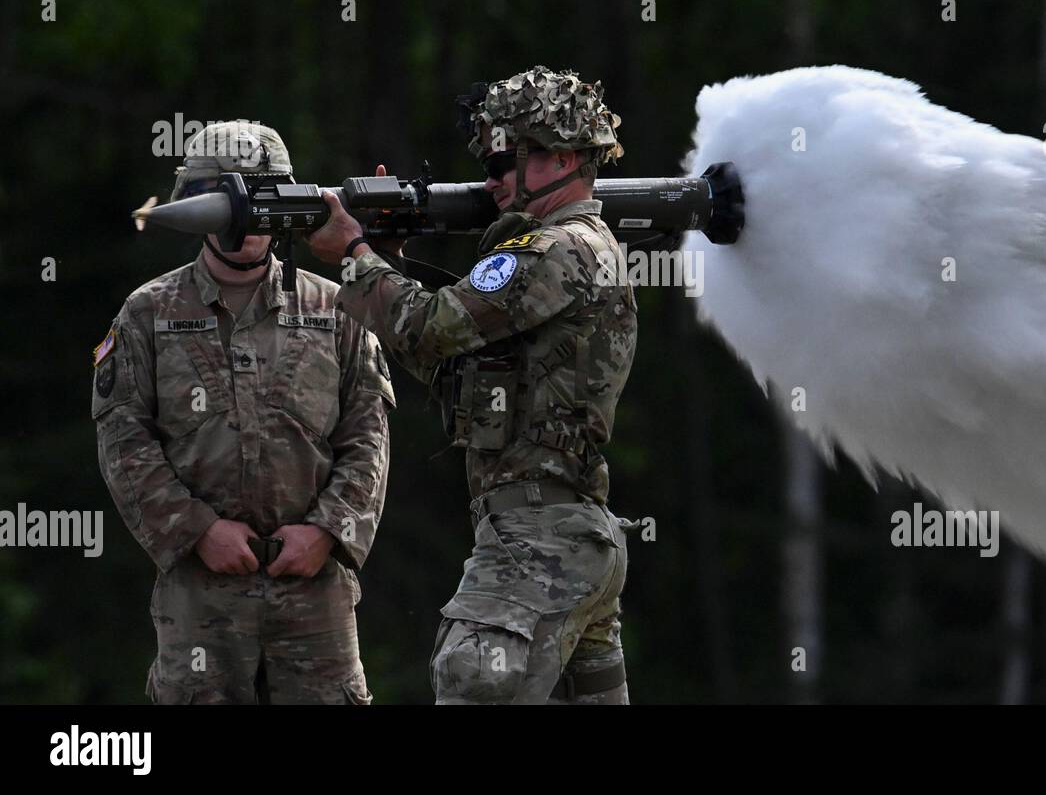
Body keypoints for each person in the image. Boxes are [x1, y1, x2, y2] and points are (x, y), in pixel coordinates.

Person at [308, 66, 638, 704]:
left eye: (501, 160)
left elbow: (431, 326)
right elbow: (454, 366)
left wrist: (356, 255)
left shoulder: (553, 250)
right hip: (574, 541)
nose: (489, 182)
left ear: (561, 158)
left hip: (535, 546)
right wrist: (388, 260)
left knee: (471, 685)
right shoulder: (586, 247)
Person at [92, 120, 394, 704]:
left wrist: (327, 531)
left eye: (265, 198)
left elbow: (369, 432)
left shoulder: (336, 308)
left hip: (314, 588)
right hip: (200, 595)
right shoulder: (147, 313)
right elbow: (123, 440)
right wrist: (197, 531)